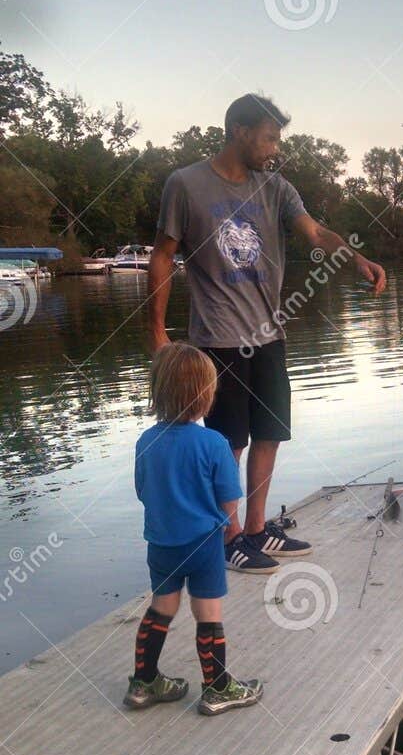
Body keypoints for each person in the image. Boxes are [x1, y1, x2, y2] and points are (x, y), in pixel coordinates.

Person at [148, 93, 387, 573]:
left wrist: (355, 257)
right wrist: (156, 330)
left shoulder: (276, 188)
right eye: (270, 138)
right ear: (240, 131)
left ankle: (256, 530)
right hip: (218, 338)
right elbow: (163, 255)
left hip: (270, 334)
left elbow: (316, 233)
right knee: (228, 443)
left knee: (269, 433)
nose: (276, 149)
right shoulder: (186, 184)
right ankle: (228, 537)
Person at [125, 342, 263, 716]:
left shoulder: (146, 441)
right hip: (203, 544)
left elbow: (142, 491)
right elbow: (229, 502)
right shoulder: (214, 443)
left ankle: (143, 683)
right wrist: (224, 523)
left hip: (161, 544)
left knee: (162, 608)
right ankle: (217, 688)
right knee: (207, 613)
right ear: (205, 396)